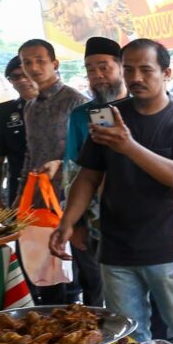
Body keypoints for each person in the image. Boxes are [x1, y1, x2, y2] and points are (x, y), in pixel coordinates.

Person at [51, 39, 173, 344]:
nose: (136, 77)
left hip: (169, 250)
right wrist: (68, 222)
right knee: (127, 339)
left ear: (166, 72)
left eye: (146, 69)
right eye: (129, 69)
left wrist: (129, 147)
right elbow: (88, 176)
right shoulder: (106, 116)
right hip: (116, 249)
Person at [61, 36, 135, 308]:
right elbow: (72, 171)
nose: (97, 75)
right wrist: (76, 222)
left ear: (121, 67)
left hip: (145, 223)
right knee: (100, 291)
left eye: (104, 67)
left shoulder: (142, 107)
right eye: (90, 69)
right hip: (96, 223)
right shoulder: (82, 115)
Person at [19, 38, 89, 305]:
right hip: (41, 201)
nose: (34, 67)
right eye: (27, 62)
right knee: (48, 270)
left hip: (74, 197)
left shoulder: (76, 102)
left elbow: (91, 151)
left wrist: (60, 163)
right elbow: (30, 154)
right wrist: (20, 199)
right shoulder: (30, 106)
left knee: (84, 271)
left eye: (40, 61)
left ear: (55, 64)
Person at [0, 56, 38, 209]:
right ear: (10, 81)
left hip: (60, 187)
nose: (22, 80)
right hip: (20, 190)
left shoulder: (62, 106)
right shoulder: (4, 113)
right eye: (15, 77)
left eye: (26, 75)